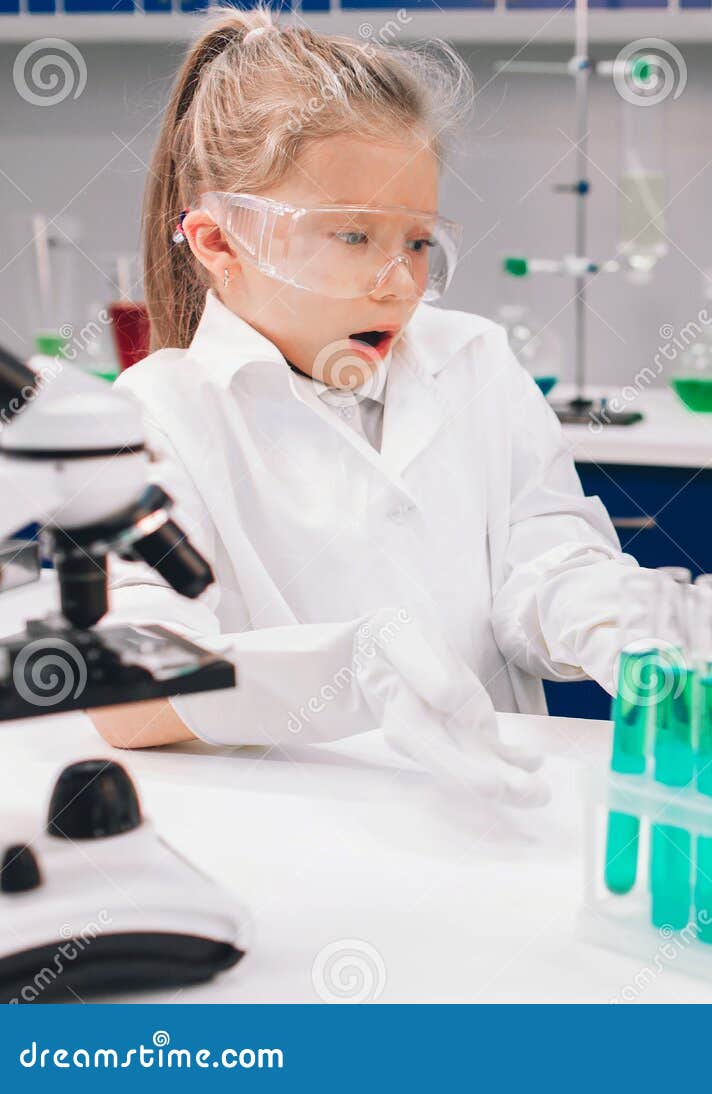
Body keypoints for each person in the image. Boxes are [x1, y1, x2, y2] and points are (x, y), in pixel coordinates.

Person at [88, 7, 644, 805]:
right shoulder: (158, 414)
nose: (400, 283)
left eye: (417, 242)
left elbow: (548, 558)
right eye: (353, 236)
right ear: (218, 244)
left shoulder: (474, 359)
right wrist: (348, 668)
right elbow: (126, 684)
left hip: (507, 815)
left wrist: (632, 631)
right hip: (309, 846)